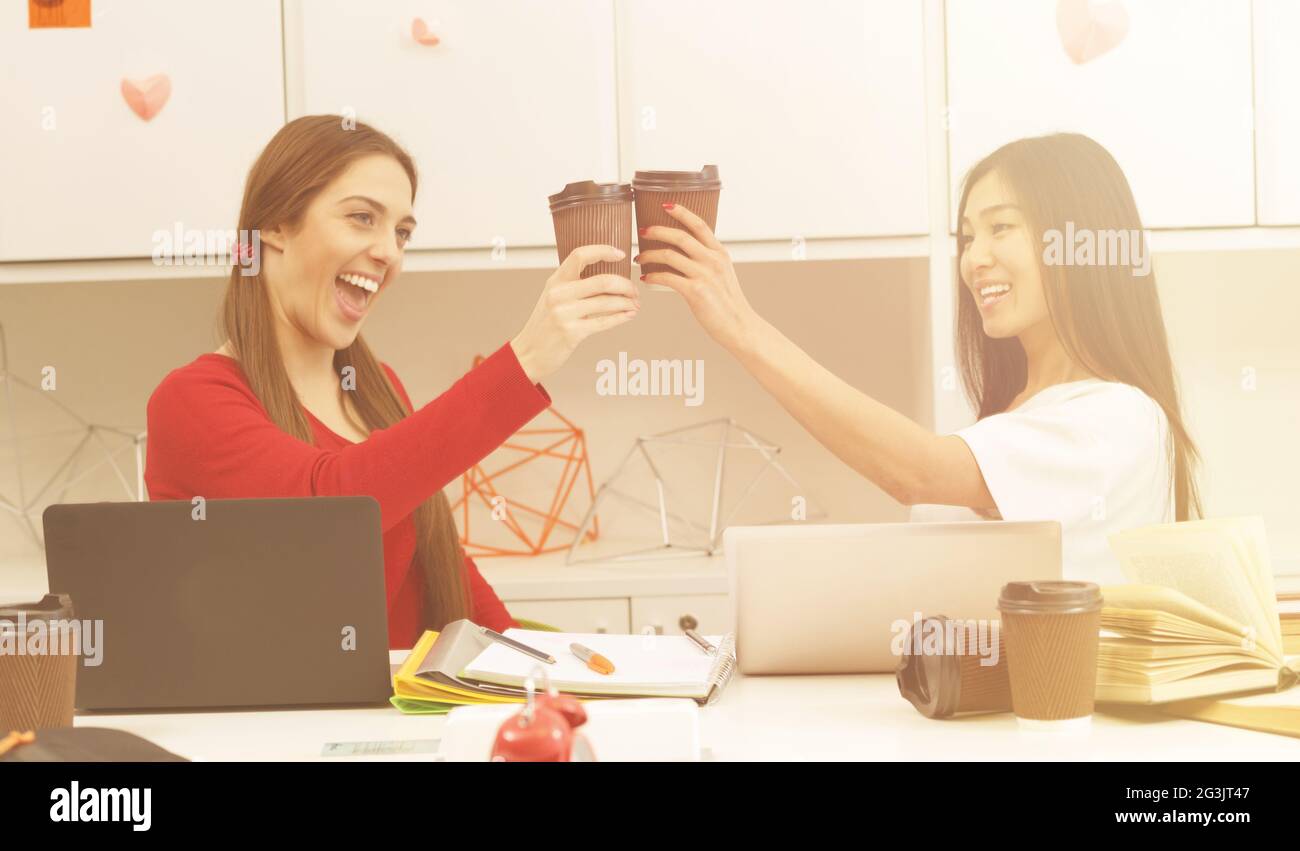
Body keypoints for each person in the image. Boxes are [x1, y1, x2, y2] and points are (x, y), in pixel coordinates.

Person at [145, 115, 639, 647]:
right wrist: (525, 359)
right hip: (273, 729)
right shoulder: (192, 401)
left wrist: (534, 672)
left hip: (385, 718)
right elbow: (331, 507)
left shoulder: (376, 387)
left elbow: (441, 566)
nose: (389, 252)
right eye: (362, 218)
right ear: (274, 226)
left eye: (402, 232)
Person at [640, 133, 1201, 584]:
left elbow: (916, 473)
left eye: (1001, 228)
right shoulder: (1021, 416)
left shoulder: (1118, 416)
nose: (975, 259)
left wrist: (740, 326)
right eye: (967, 237)